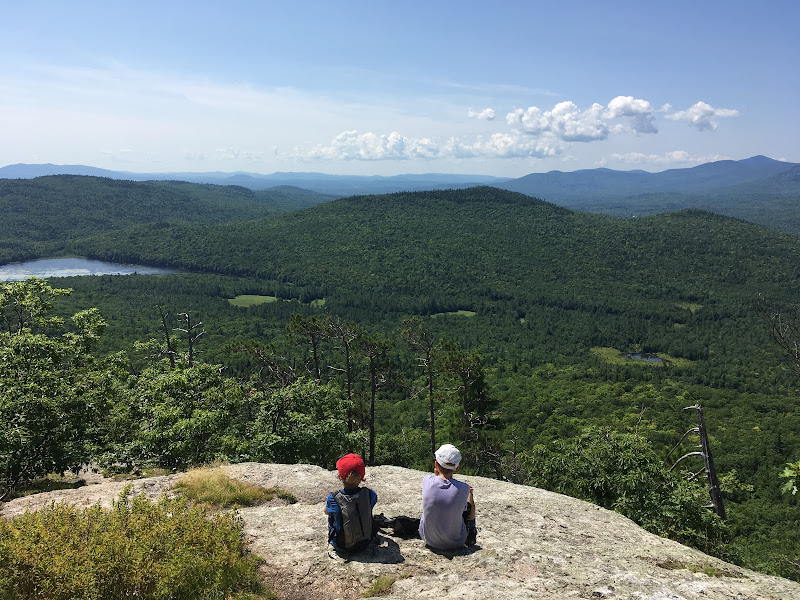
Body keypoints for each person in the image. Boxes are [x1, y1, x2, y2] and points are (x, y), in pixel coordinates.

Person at [419, 443, 478, 550]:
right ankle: (471, 536)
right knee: (469, 508)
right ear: (457, 467)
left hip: (428, 539)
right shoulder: (463, 488)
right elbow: (470, 509)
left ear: (436, 465)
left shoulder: (427, 480)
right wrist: (470, 494)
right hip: (456, 542)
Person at [325, 453, 378, 554]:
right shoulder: (370, 494)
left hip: (342, 547)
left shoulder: (333, 498)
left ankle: (335, 541)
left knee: (332, 515)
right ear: (361, 476)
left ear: (339, 477)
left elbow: (326, 512)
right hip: (366, 542)